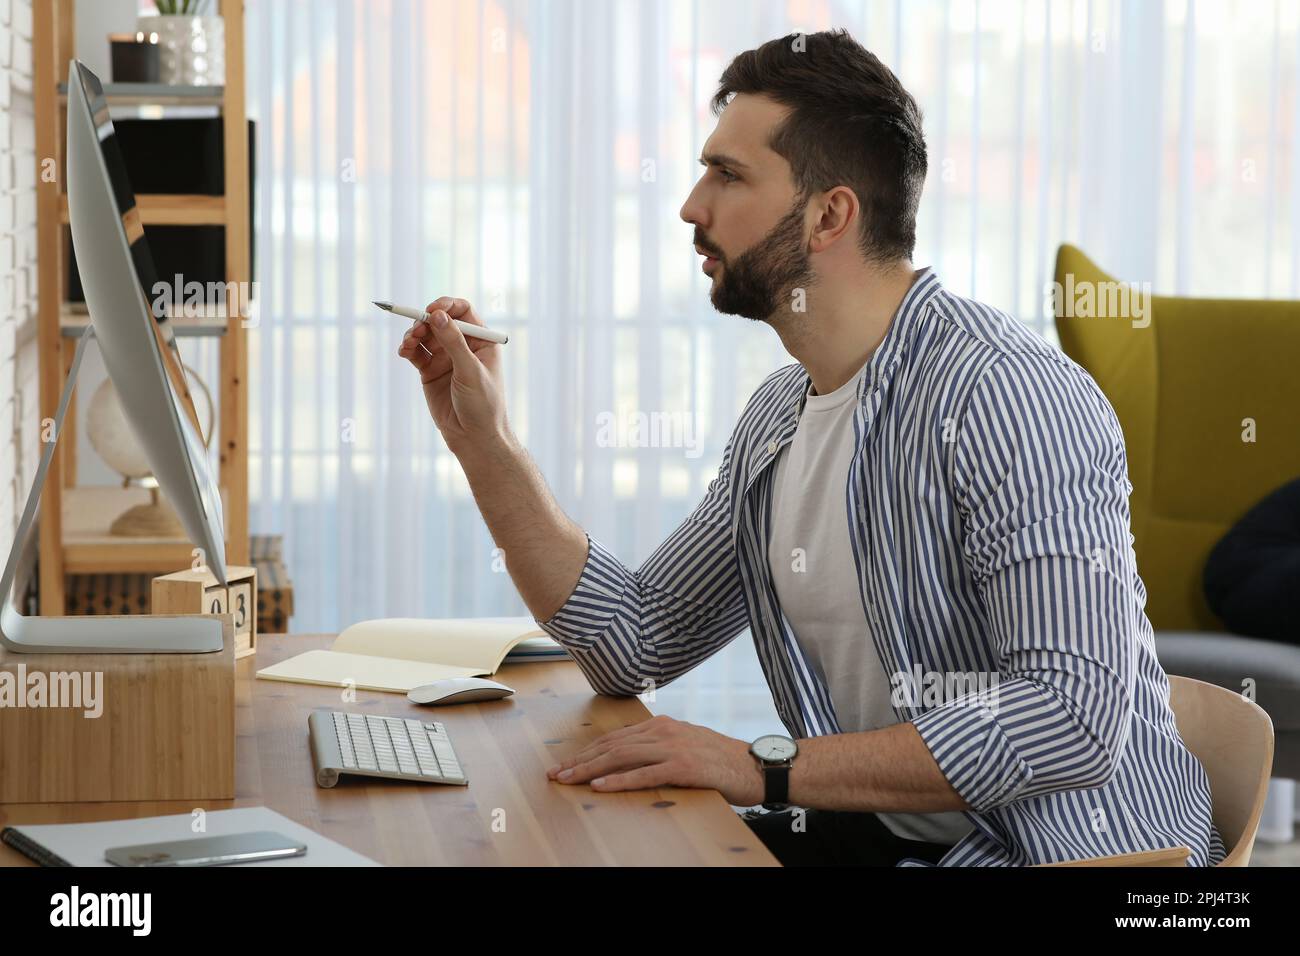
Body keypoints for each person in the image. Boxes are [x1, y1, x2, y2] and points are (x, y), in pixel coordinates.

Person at [398, 28, 1226, 867]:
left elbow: (1070, 720)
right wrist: (484, 438)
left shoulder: (1005, 396)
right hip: (886, 838)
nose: (691, 205)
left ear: (830, 214)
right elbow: (634, 640)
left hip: (1077, 859)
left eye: (727, 174)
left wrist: (762, 766)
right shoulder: (780, 419)